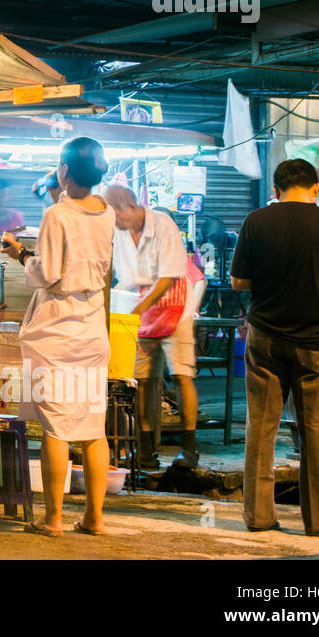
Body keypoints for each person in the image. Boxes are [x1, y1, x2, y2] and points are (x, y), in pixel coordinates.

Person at [231, 158, 319, 537]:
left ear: (275, 191)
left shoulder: (256, 221)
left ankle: (258, 517)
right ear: (316, 189)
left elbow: (239, 281)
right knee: (316, 431)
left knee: (261, 429)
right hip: (317, 343)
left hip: (266, 339)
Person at [1, 137, 114, 536]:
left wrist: (19, 253)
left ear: (64, 171)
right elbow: (78, 233)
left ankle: (52, 519)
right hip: (92, 325)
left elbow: (45, 274)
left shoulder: (56, 216)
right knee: (92, 426)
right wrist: (56, 192)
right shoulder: (106, 211)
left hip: (58, 330)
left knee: (57, 426)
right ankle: (94, 519)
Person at [105, 184, 204, 470]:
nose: (115, 222)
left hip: (176, 307)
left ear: (128, 206)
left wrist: (138, 308)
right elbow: (117, 272)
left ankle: (189, 447)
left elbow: (170, 276)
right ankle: (145, 449)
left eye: (116, 215)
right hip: (143, 311)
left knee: (182, 375)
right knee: (144, 381)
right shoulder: (120, 232)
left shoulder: (162, 224)